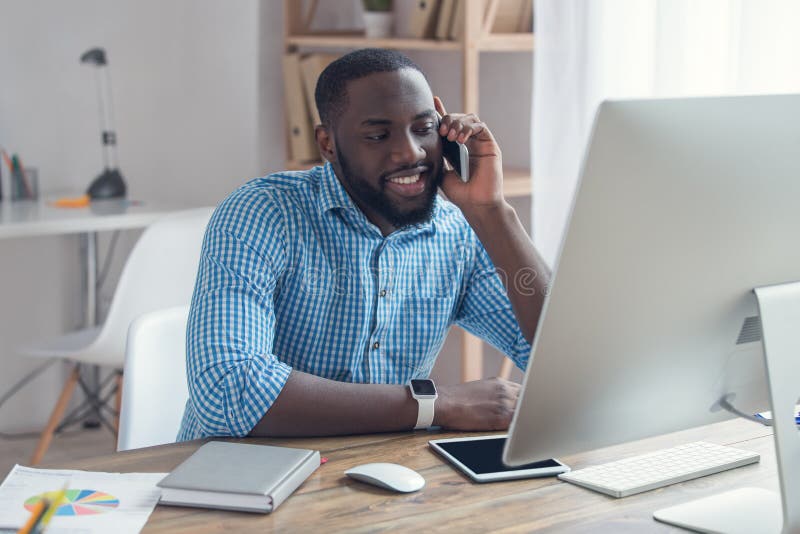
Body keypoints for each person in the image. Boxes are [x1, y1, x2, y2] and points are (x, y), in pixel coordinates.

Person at [177, 48, 550, 441]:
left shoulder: (456, 232)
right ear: (328, 144)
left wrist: (492, 212)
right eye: (377, 135)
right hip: (238, 481)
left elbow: (563, 359)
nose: (410, 152)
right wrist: (436, 403)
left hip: (380, 477)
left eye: (423, 128)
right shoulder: (262, 214)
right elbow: (226, 393)